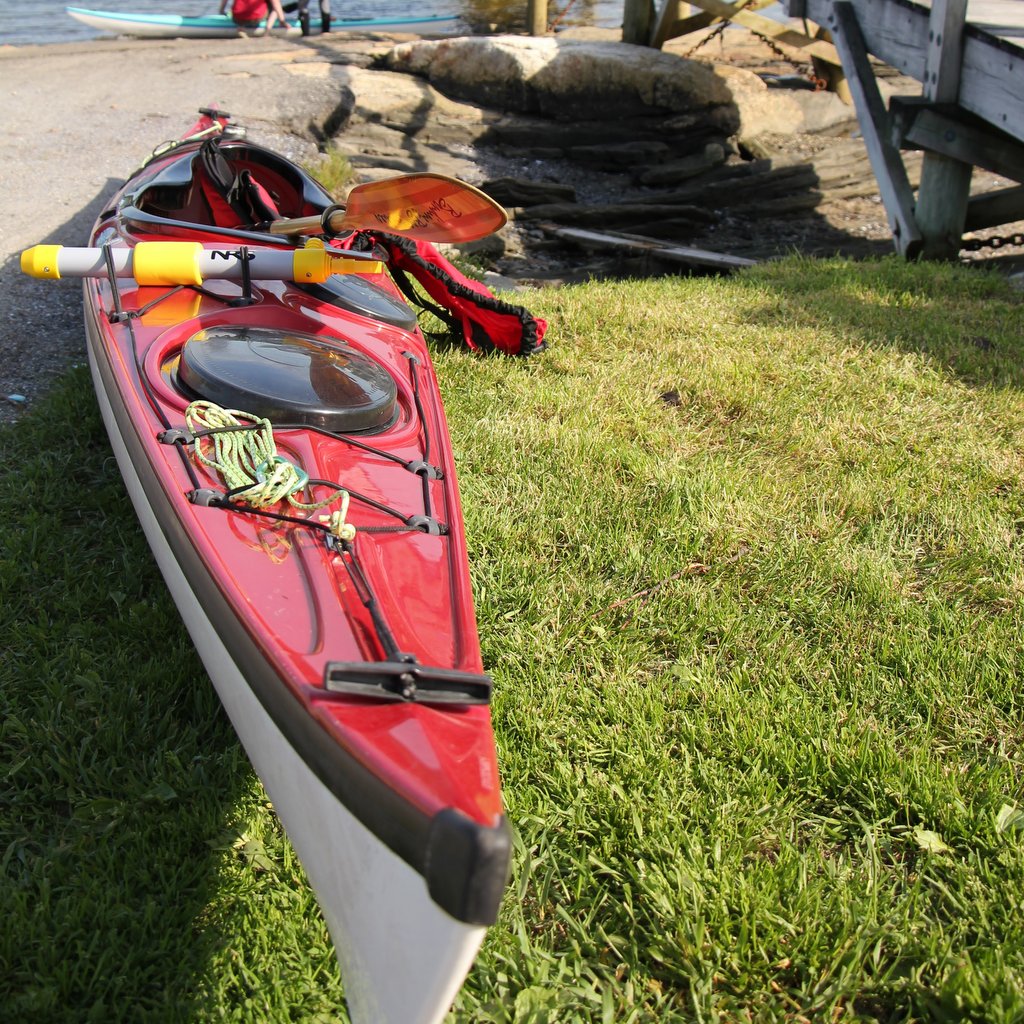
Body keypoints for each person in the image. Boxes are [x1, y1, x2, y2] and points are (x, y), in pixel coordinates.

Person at [220, 0, 289, 33]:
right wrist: (283, 21)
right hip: (255, 19)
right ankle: (267, 31)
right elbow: (275, 3)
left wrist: (222, 11)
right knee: (275, 7)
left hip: (237, 18)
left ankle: (242, 26)